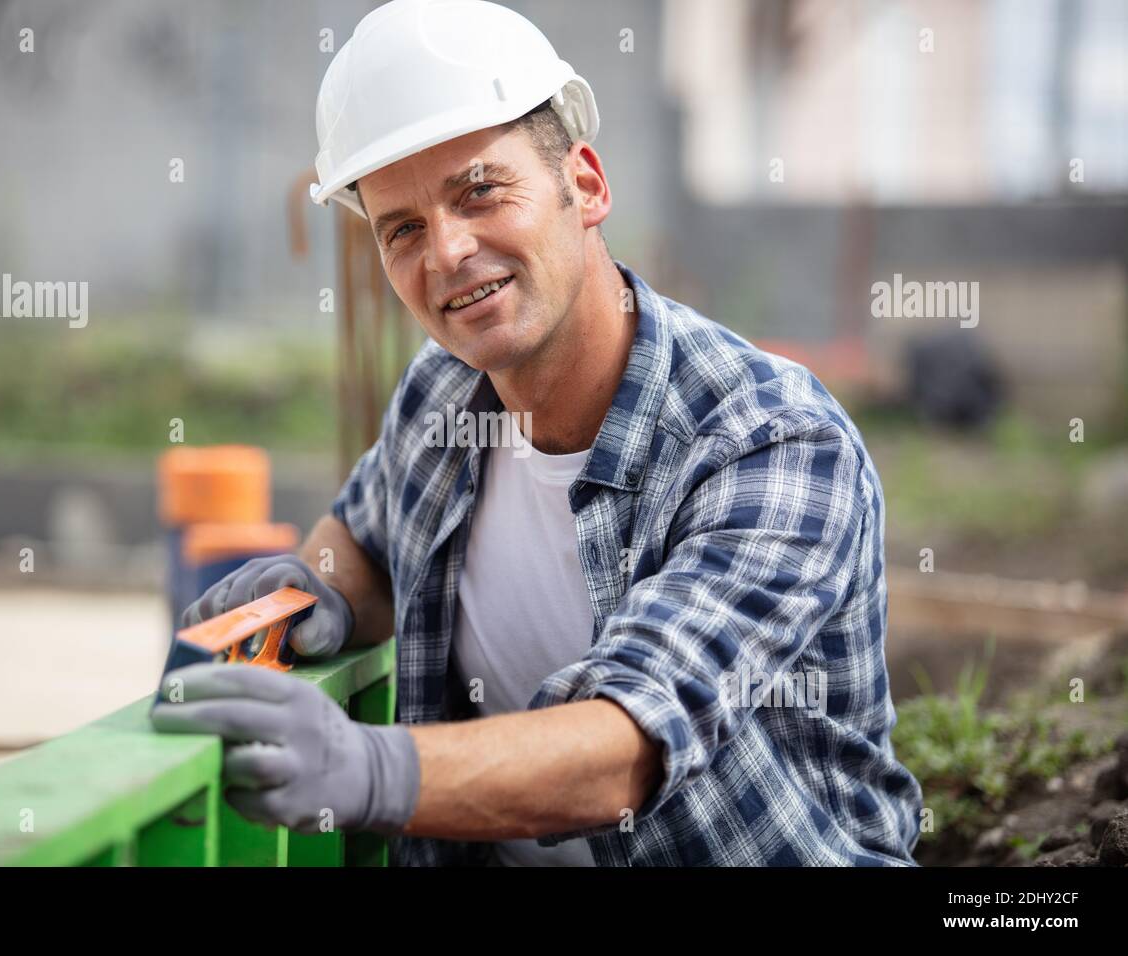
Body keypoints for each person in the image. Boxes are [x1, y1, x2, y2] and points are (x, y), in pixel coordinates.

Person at [152, 0, 923, 867]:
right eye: (400, 228)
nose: (445, 252)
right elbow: (366, 542)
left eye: (480, 190)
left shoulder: (768, 440)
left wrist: (366, 768)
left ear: (584, 185)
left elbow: (625, 749)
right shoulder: (441, 398)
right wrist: (314, 588)